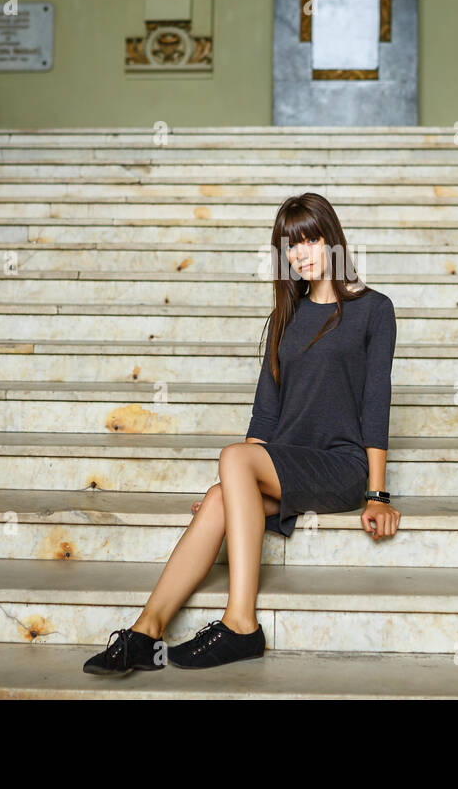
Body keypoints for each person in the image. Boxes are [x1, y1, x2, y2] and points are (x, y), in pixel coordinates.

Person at [83, 192, 400, 673]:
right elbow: (265, 414)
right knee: (217, 498)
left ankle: (241, 624)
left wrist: (377, 492)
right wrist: (236, 490)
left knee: (234, 460)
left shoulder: (374, 310)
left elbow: (376, 404)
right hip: (284, 465)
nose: (301, 254)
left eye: (310, 239)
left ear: (332, 240)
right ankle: (145, 633)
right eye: (290, 246)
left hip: (340, 467)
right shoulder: (283, 319)